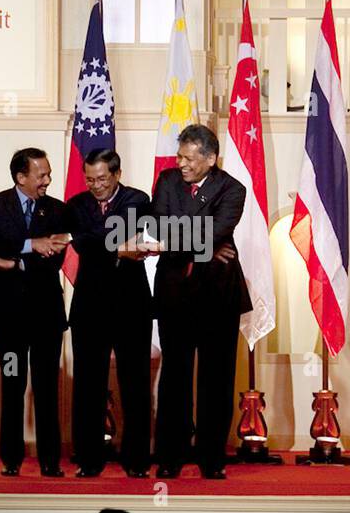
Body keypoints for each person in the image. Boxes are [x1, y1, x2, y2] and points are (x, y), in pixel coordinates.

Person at [150, 124, 251, 480]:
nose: (181, 164)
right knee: (175, 376)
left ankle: (211, 457)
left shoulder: (233, 188)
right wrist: (206, 242)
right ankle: (170, 455)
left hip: (217, 296)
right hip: (175, 292)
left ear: (210, 158)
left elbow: (217, 230)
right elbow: (157, 228)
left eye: (188, 158)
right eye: (179, 156)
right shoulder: (166, 181)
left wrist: (200, 237)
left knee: (216, 378)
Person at [0, 147, 72, 477]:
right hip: (9, 316)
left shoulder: (57, 209)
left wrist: (17, 254)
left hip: (45, 314)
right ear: (21, 177)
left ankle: (49, 461)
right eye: (41, 174)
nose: (47, 180)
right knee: (12, 383)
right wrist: (32, 245)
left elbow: (57, 254)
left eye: (48, 173)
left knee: (47, 387)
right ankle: (11, 460)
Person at [65, 149, 153, 478]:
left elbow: (100, 236)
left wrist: (99, 239)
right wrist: (116, 247)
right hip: (89, 306)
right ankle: (89, 459)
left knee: (135, 383)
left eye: (102, 179)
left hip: (132, 305)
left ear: (116, 174)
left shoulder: (137, 199)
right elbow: (85, 243)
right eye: (90, 179)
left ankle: (137, 460)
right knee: (88, 385)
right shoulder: (76, 205)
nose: (96, 186)